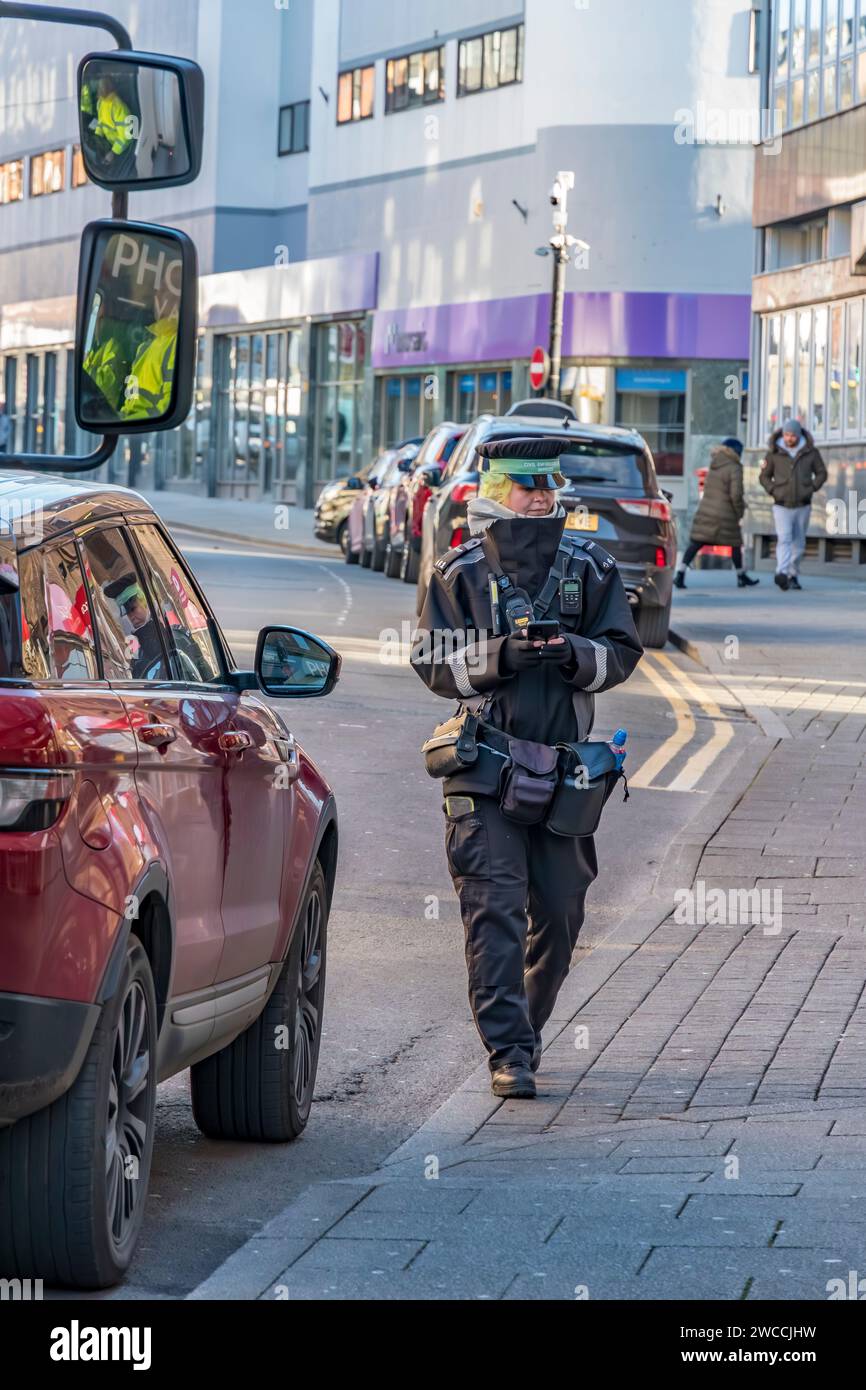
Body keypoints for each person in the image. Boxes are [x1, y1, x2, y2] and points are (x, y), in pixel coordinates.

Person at [412, 437, 642, 1100]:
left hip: (568, 773)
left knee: (562, 917)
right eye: (526, 484)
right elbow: (432, 664)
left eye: (549, 482)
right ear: (494, 490)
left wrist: (571, 652)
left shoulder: (591, 566)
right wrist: (501, 655)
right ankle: (509, 1051)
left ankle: (526, 1032)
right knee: (497, 911)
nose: (542, 494)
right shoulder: (458, 572)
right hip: (484, 769)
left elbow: (622, 651)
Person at [673, 438, 759, 589]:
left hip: (707, 510)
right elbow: (736, 494)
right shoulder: (734, 467)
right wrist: (739, 511)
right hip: (725, 512)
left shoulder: (716, 463)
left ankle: (680, 574)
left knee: (696, 543)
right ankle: (740, 576)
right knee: (735, 543)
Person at [759, 418, 827, 591]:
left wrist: (811, 488)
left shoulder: (810, 452)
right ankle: (781, 573)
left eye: (792, 435)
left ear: (798, 435)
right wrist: (773, 489)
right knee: (785, 539)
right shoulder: (774, 452)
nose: (789, 438)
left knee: (799, 543)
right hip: (781, 504)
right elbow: (764, 476)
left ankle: (792, 573)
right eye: (786, 435)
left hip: (803, 504)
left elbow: (821, 473)